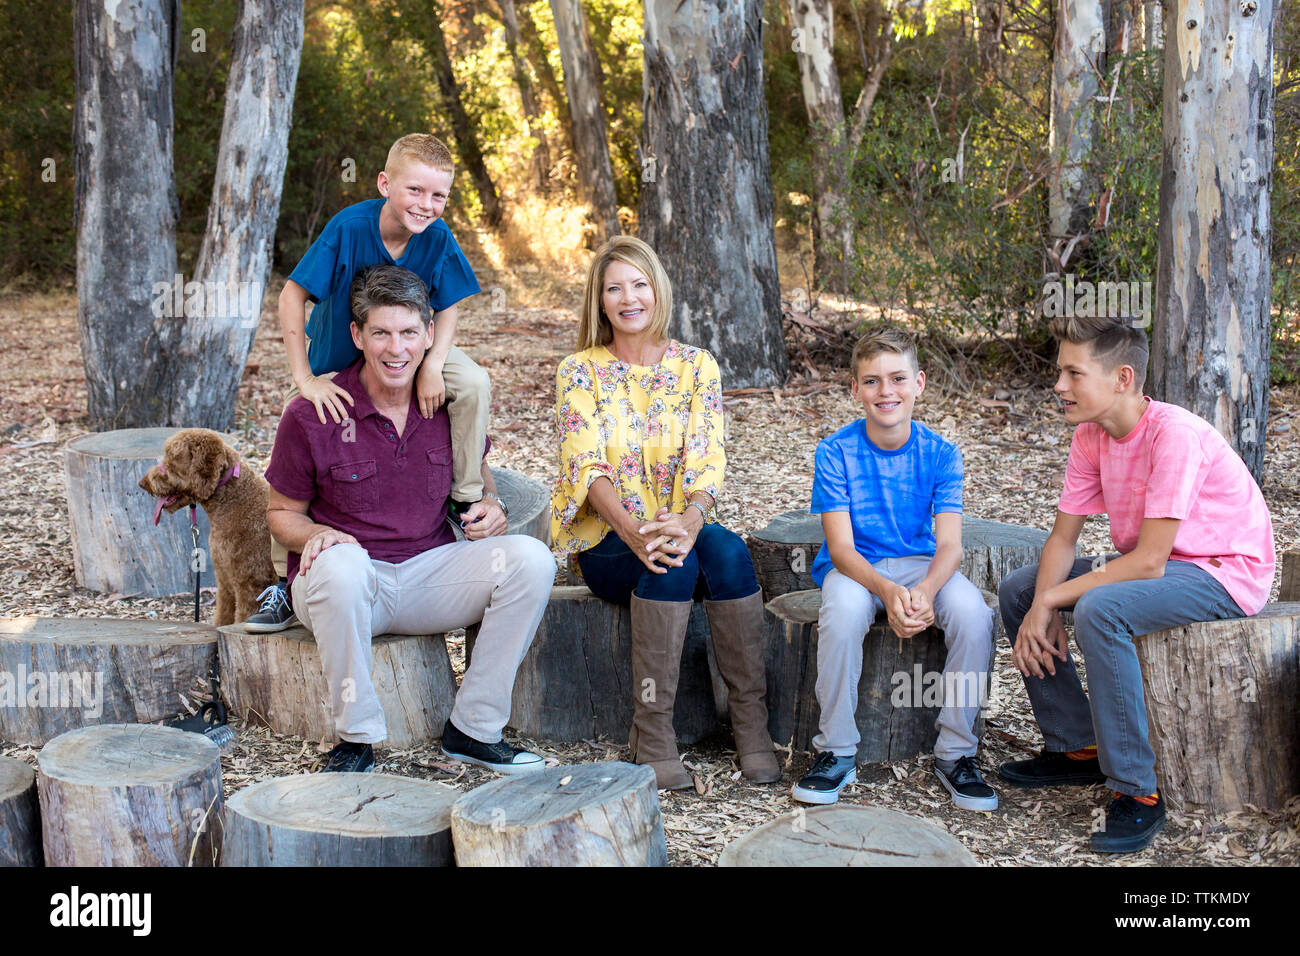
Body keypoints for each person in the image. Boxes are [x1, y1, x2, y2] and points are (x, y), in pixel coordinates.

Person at [998, 314, 1275, 853]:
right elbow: (1062, 541)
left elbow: (1148, 561)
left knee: (1101, 608)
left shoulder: (1175, 435)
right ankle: (1075, 747)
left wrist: (1057, 600)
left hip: (1224, 571)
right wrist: (1041, 602)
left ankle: (1136, 791)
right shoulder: (1091, 435)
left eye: (1074, 374)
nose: (1059, 386)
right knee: (1019, 589)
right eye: (1061, 373)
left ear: (1122, 378)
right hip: (1165, 565)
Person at [265, 265, 555, 773]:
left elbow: (480, 475)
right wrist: (318, 533)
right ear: (357, 335)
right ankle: (355, 740)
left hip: (429, 575)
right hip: (347, 585)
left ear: (428, 335)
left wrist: (492, 505)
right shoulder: (313, 412)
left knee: (532, 560)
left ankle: (474, 729)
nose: (395, 349)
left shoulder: (449, 404)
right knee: (342, 565)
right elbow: (280, 514)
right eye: (380, 333)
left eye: (407, 333)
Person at [551, 236, 780, 791]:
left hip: (682, 525)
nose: (629, 298)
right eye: (614, 288)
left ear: (658, 290)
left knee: (727, 551)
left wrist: (693, 520)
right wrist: (634, 532)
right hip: (607, 538)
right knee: (668, 564)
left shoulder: (696, 367)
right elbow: (587, 467)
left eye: (639, 284)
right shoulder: (579, 371)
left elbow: (708, 459)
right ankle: (652, 732)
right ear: (599, 301)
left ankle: (750, 722)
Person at [246, 133, 489, 633]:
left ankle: (465, 494)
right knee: (306, 420)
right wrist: (305, 377)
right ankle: (282, 583)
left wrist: (433, 363)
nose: (426, 205)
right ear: (385, 184)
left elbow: (448, 304)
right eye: (414, 191)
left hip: (407, 346)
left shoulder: (438, 237)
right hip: (342, 345)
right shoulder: (351, 226)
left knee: (474, 383)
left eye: (438, 195)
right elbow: (293, 295)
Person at [792, 325, 997, 810]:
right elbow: (841, 548)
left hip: (921, 563)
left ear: (919, 383)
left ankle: (956, 752)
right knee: (841, 612)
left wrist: (925, 591)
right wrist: (887, 592)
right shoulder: (835, 452)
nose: (886, 392)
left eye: (898, 378)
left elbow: (950, 546)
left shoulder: (943, 454)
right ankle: (837, 750)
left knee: (973, 614)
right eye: (872, 381)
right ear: (855, 389)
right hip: (858, 568)